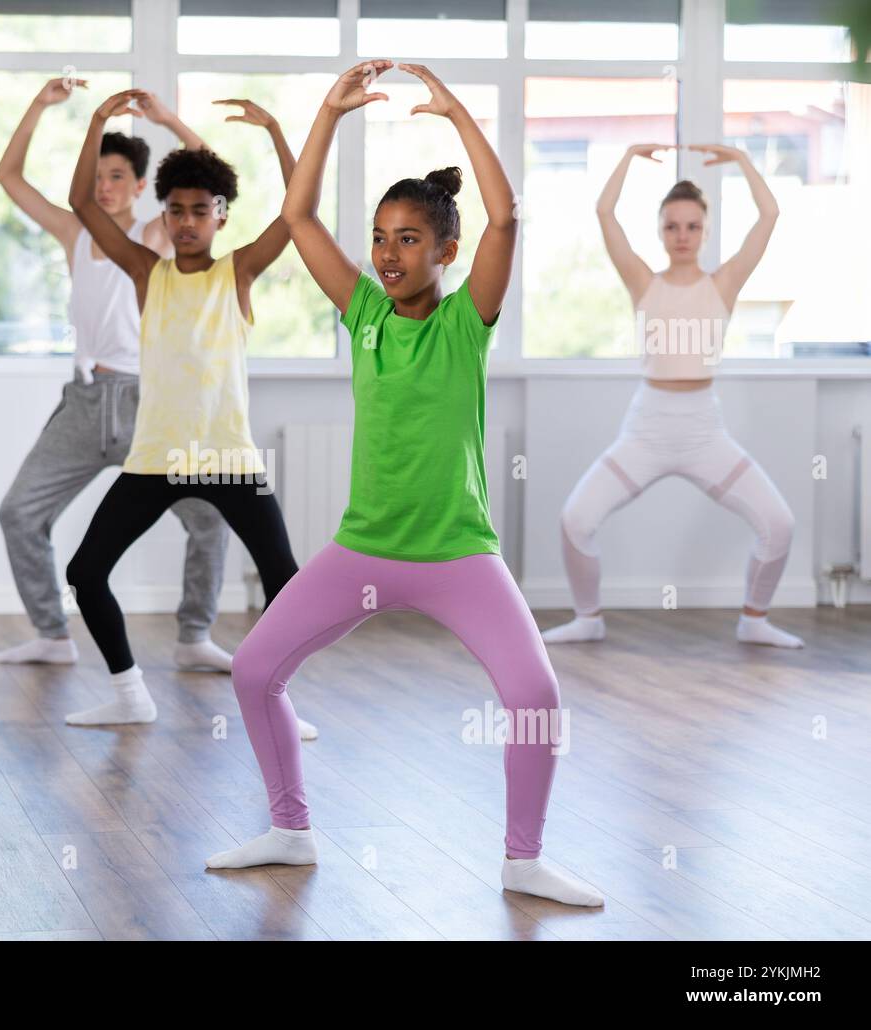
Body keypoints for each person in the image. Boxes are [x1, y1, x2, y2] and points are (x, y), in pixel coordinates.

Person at [210, 61, 603, 908]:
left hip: (458, 553)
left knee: (534, 693)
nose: (388, 254)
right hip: (365, 550)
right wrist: (325, 113)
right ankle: (290, 827)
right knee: (252, 670)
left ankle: (522, 859)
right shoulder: (363, 314)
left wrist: (459, 112)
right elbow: (298, 216)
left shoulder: (468, 322)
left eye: (409, 239)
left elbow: (506, 215)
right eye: (381, 238)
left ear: (445, 252)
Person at [61, 88, 316, 740]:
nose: (185, 222)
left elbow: (299, 211)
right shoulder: (148, 272)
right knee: (86, 572)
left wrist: (278, 130)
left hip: (229, 460)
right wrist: (97, 120)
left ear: (220, 216)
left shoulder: (238, 273)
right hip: (156, 461)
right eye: (174, 211)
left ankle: (278, 700)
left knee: (286, 582)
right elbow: (82, 205)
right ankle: (128, 693)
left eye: (199, 211)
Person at [0, 78, 232, 673]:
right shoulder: (76, 232)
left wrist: (170, 119)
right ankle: (52, 633)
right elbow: (9, 178)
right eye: (98, 176)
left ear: (143, 186)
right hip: (85, 401)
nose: (105, 186)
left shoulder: (153, 233)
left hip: (148, 404)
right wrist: (41, 106)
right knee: (19, 512)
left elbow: (210, 180)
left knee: (211, 517)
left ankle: (194, 635)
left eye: (117, 176)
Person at [541, 143, 801, 649]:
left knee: (779, 523)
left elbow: (769, 215)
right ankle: (588, 618)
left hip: (704, 429)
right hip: (648, 427)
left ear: (704, 230)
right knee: (575, 518)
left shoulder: (724, 283)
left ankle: (754, 619)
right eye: (671, 226)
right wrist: (629, 157)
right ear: (660, 231)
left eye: (692, 226)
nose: (682, 236)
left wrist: (743, 161)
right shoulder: (642, 281)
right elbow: (604, 212)